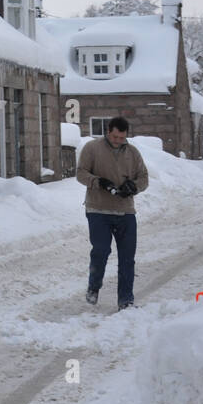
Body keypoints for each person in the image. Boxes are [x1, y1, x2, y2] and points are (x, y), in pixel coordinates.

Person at [75, 116, 149, 310]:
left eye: (122, 138)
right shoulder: (92, 148)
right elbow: (81, 173)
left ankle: (126, 300)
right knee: (101, 251)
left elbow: (144, 178)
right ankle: (94, 286)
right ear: (108, 132)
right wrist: (98, 182)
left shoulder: (133, 153)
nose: (117, 141)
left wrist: (133, 186)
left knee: (127, 258)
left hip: (125, 211)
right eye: (115, 137)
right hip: (98, 209)